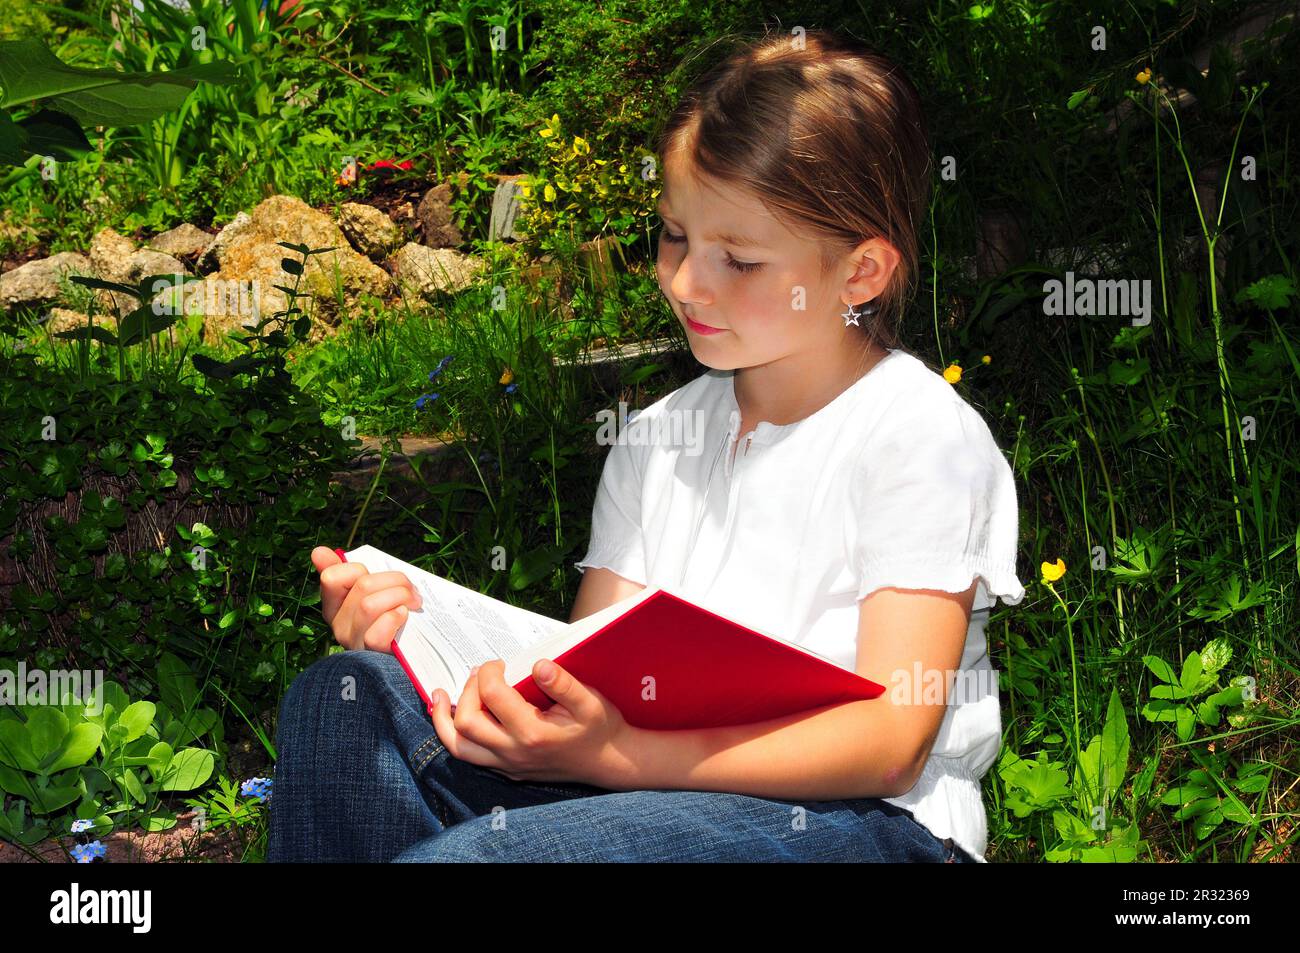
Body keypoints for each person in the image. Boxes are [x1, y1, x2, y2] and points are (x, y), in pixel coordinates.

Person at [268, 28, 1025, 863]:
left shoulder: (916, 434)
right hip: (648, 798)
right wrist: (419, 642)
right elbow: (576, 677)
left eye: (737, 258)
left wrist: (621, 754)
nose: (684, 282)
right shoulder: (657, 437)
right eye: (674, 236)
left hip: (873, 823)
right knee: (345, 703)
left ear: (860, 273)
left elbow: (891, 738)